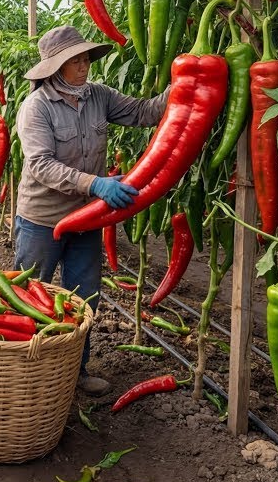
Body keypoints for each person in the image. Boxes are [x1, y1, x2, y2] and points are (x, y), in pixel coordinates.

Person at [14, 26, 170, 396]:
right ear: (56, 67)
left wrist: (182, 81)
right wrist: (95, 183)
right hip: (42, 218)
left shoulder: (98, 96)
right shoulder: (36, 108)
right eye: (76, 61)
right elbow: (40, 165)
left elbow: (143, 113)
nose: (85, 67)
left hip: (86, 218)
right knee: (27, 294)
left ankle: (75, 371)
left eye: (86, 59)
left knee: (84, 296)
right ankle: (20, 370)